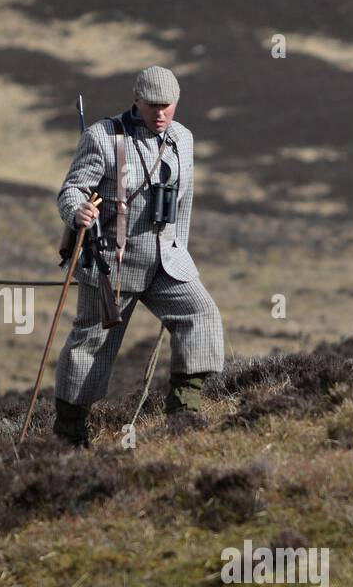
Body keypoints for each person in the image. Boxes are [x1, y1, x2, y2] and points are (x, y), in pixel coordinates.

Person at [52, 65, 224, 446]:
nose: (160, 114)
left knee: (202, 314)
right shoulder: (103, 137)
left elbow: (185, 205)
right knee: (91, 346)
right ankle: (69, 432)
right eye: (152, 106)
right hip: (113, 263)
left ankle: (185, 410)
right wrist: (78, 211)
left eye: (167, 106)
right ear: (136, 99)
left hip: (168, 262)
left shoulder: (184, 139)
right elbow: (71, 190)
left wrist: (180, 249)